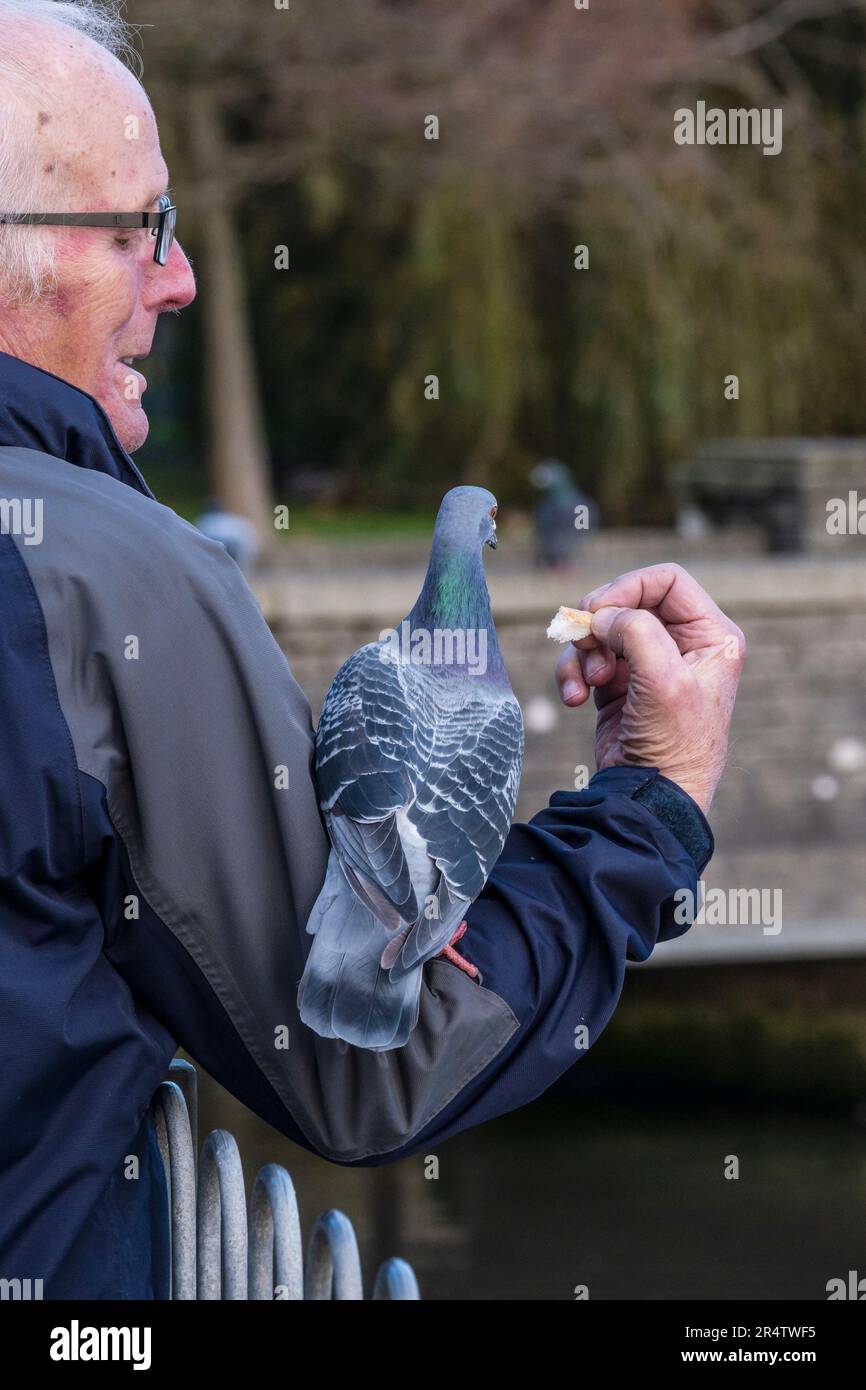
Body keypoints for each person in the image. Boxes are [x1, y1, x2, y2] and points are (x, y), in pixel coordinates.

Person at [0, 0, 745, 1299]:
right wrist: (649, 802)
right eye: (138, 229)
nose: (175, 277)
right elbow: (363, 1060)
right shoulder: (94, 574)